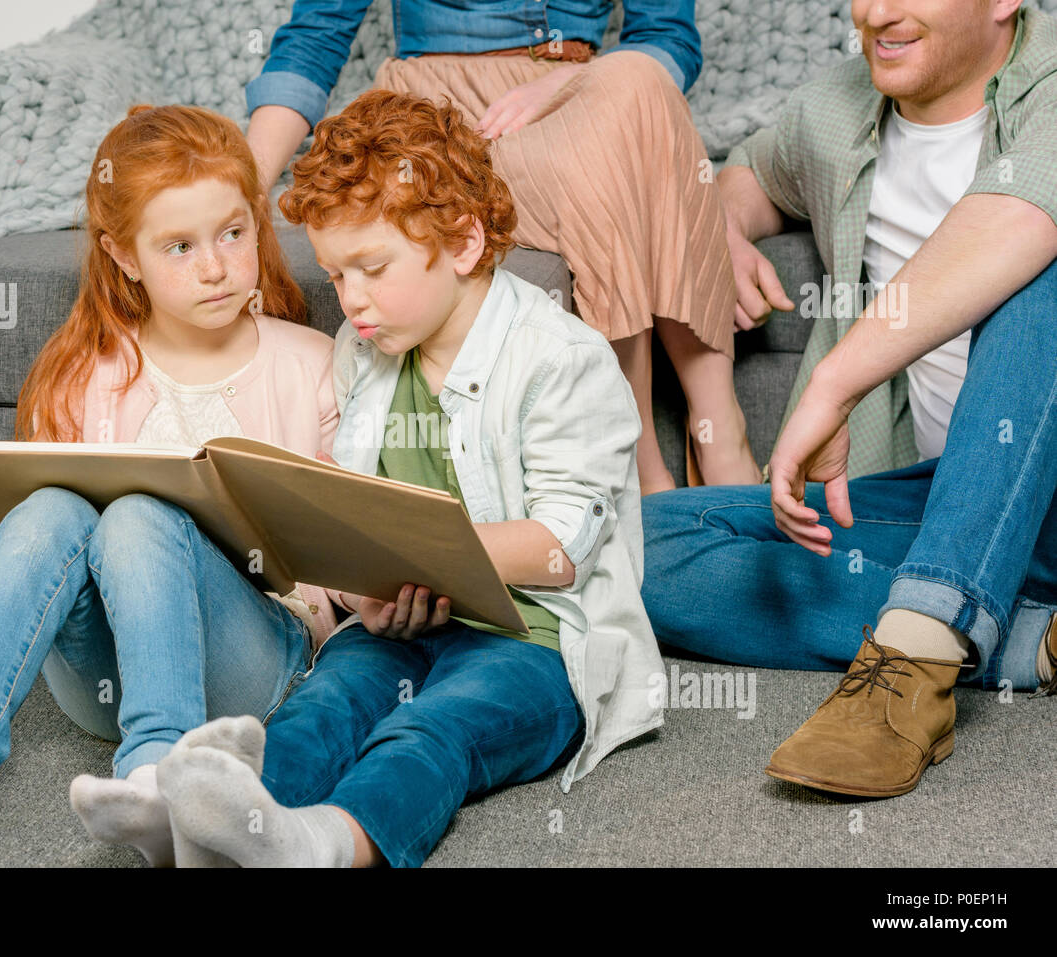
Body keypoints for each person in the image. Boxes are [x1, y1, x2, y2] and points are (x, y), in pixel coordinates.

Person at [152, 89, 666, 867]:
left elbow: (563, 545)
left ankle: (329, 843)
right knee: (324, 703)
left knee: (432, 728)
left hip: (538, 641)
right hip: (406, 622)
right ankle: (204, 828)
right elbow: (355, 507)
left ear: (461, 242)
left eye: (371, 268)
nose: (350, 299)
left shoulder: (560, 358)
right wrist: (365, 588)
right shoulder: (365, 349)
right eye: (335, 273)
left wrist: (426, 557)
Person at [0, 104, 344, 867]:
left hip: (257, 659)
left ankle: (155, 771)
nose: (215, 266)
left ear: (256, 224)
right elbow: (55, 543)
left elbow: (348, 551)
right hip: (103, 674)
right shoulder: (90, 373)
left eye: (233, 233)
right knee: (49, 508)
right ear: (124, 256)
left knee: (143, 512)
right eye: (179, 246)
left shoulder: (312, 361)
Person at [641, 0, 1057, 798]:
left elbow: (1018, 216)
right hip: (947, 505)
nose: (875, 13)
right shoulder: (835, 107)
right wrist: (719, 226)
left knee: (1041, 268)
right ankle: (1015, 634)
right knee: (635, 543)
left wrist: (834, 382)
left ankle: (915, 659)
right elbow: (748, 173)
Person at [244, 0, 761, 494]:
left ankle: (717, 426)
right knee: (609, 149)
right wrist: (245, 188)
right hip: (448, 116)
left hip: (585, 97)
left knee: (636, 79)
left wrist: (570, 80)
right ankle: (645, 469)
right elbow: (316, 37)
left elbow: (666, 39)